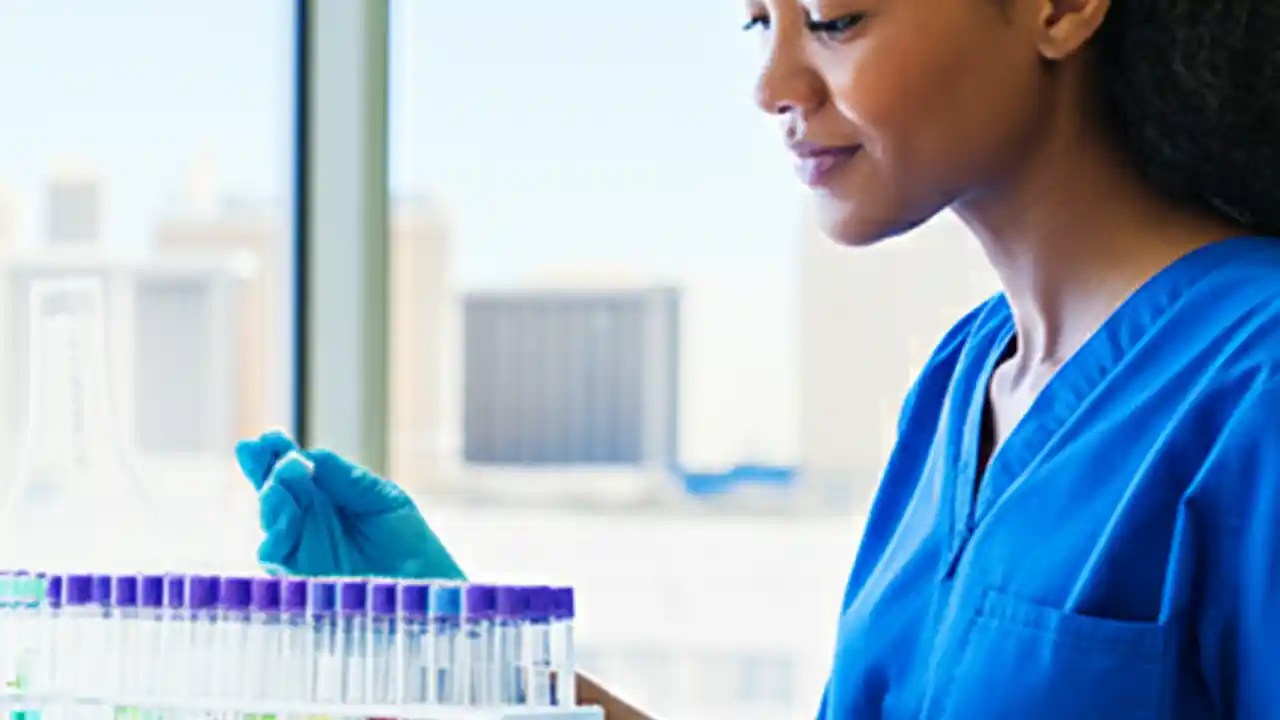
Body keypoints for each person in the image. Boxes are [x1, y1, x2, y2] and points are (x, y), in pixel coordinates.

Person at [236, 0, 1280, 716]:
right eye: (756, 23)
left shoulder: (1256, 380)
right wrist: (471, 662)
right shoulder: (962, 384)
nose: (773, 83)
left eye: (835, 20)